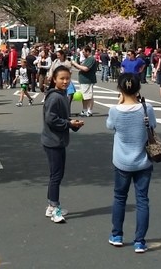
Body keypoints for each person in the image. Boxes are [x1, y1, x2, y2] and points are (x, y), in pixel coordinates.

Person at [106, 73, 155, 252]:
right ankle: (140, 241)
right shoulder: (147, 108)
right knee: (142, 200)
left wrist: (119, 103)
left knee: (120, 197)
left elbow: (110, 126)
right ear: (138, 89)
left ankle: (117, 234)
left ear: (119, 89)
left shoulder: (114, 110)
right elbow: (152, 126)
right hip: (143, 161)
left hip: (121, 161)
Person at [41, 64, 84, 223]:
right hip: (53, 141)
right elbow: (51, 119)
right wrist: (69, 124)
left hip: (57, 140)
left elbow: (60, 118)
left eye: (68, 78)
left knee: (56, 174)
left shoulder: (62, 95)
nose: (65, 81)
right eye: (62, 79)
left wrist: (72, 123)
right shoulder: (55, 97)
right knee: (56, 176)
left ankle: (51, 206)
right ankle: (54, 207)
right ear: (54, 79)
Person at [70, 45, 97, 116]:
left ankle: (89, 111)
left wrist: (75, 64)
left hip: (88, 80)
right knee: (84, 96)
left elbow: (85, 68)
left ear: (88, 52)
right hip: (83, 81)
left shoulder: (91, 59)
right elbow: (81, 67)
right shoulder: (87, 59)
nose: (83, 54)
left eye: (84, 52)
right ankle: (84, 110)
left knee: (89, 96)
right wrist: (75, 65)